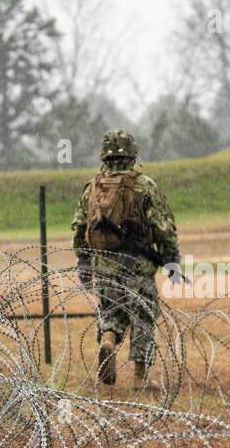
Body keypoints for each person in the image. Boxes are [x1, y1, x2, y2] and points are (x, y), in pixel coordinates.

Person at [71, 130, 180, 390]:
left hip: (103, 266)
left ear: (104, 155)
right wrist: (172, 259)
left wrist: (84, 262)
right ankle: (140, 377)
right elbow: (164, 226)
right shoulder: (144, 185)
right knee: (142, 316)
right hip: (138, 266)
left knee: (111, 312)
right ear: (133, 154)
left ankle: (108, 341)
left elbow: (79, 227)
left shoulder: (93, 187)